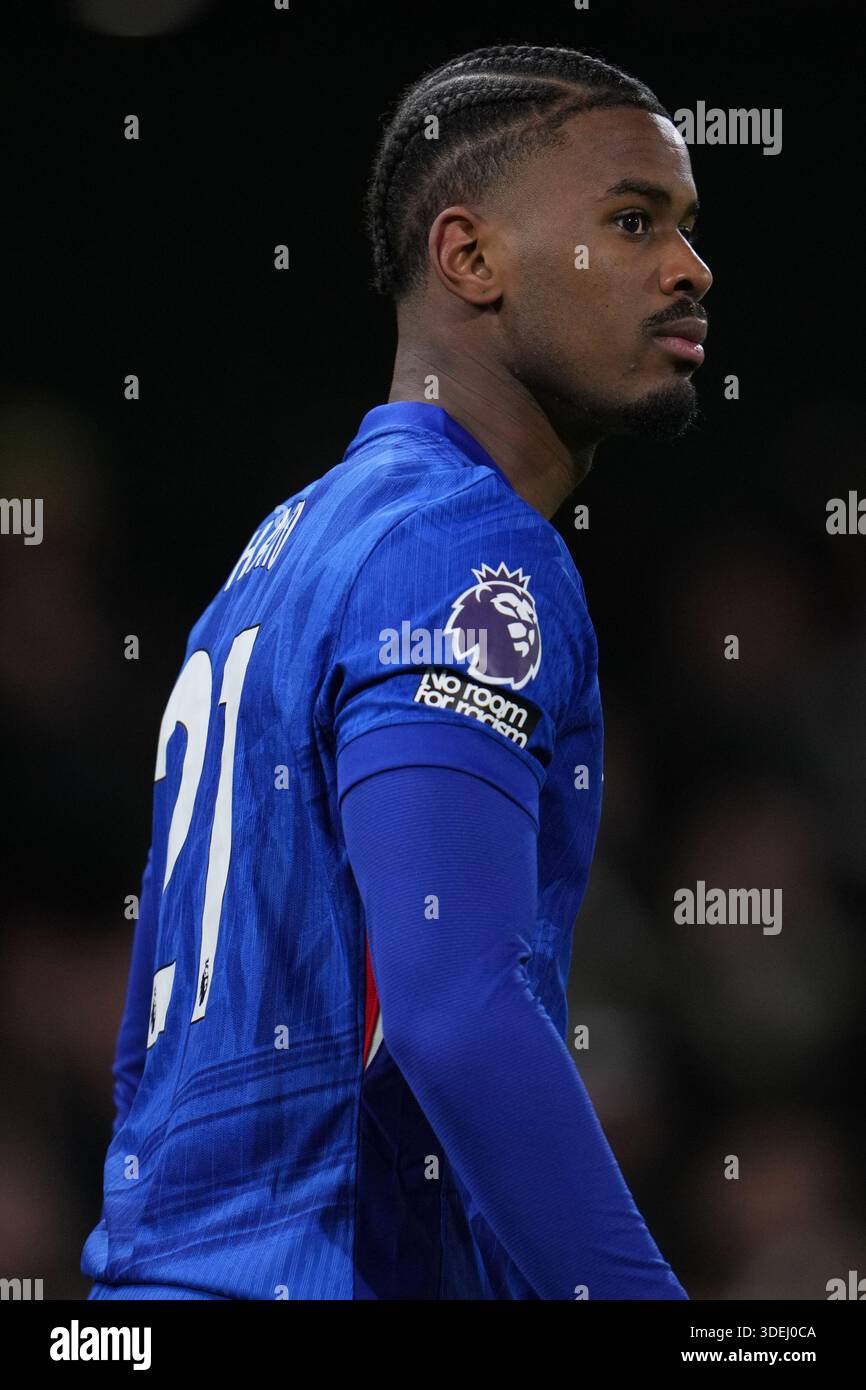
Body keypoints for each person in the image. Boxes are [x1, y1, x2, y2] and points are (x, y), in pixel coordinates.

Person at [83, 42, 711, 1301]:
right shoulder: (461, 548)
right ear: (468, 257)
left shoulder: (275, 560)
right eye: (631, 222)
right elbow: (455, 1007)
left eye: (688, 228)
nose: (690, 269)